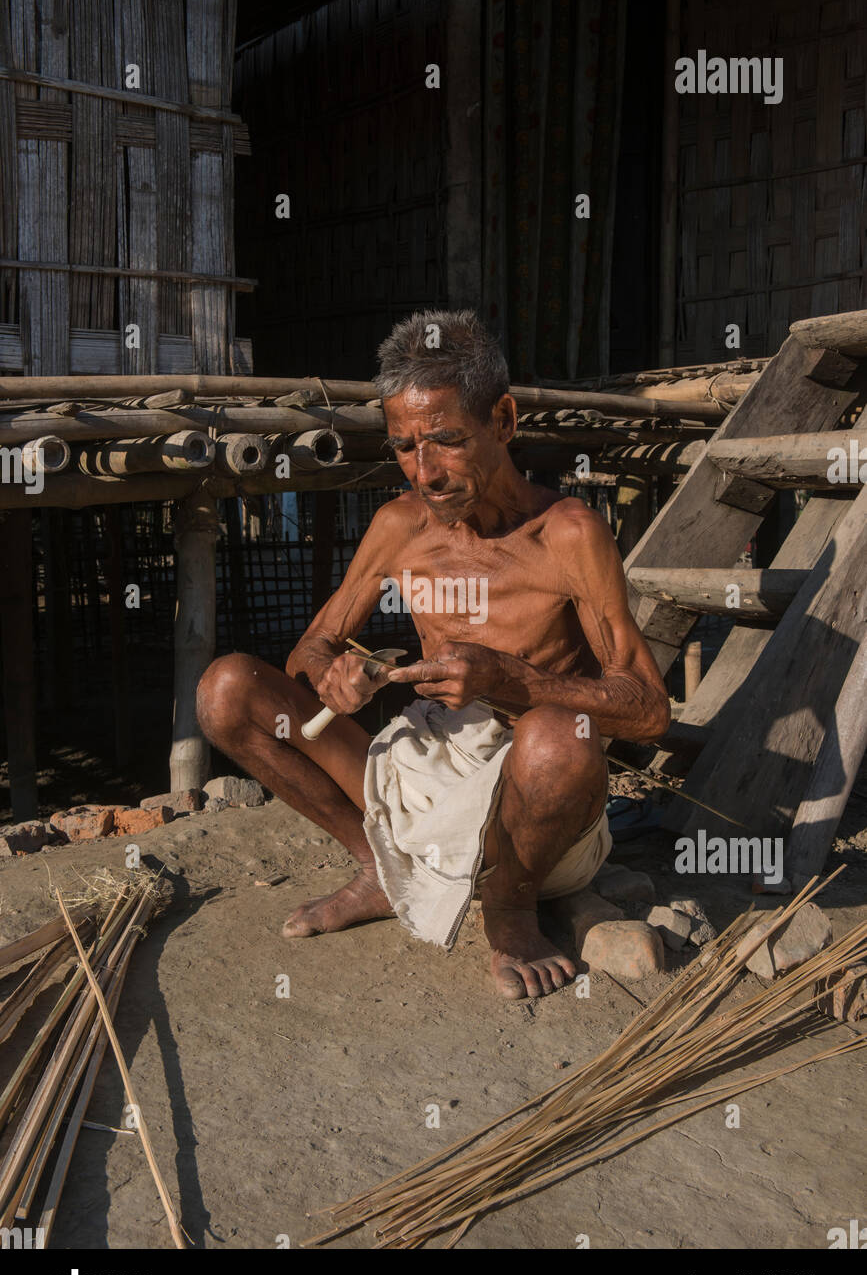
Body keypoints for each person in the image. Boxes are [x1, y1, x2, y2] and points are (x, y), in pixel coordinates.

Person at [196, 310, 670, 999]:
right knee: (226, 689)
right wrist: (333, 675)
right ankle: (381, 870)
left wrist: (511, 680)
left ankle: (509, 910)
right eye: (403, 447)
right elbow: (311, 649)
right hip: (418, 780)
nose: (426, 473)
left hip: (538, 804)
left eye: (446, 441)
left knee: (555, 736)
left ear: (502, 421)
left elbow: (649, 709)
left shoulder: (567, 534)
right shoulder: (400, 526)